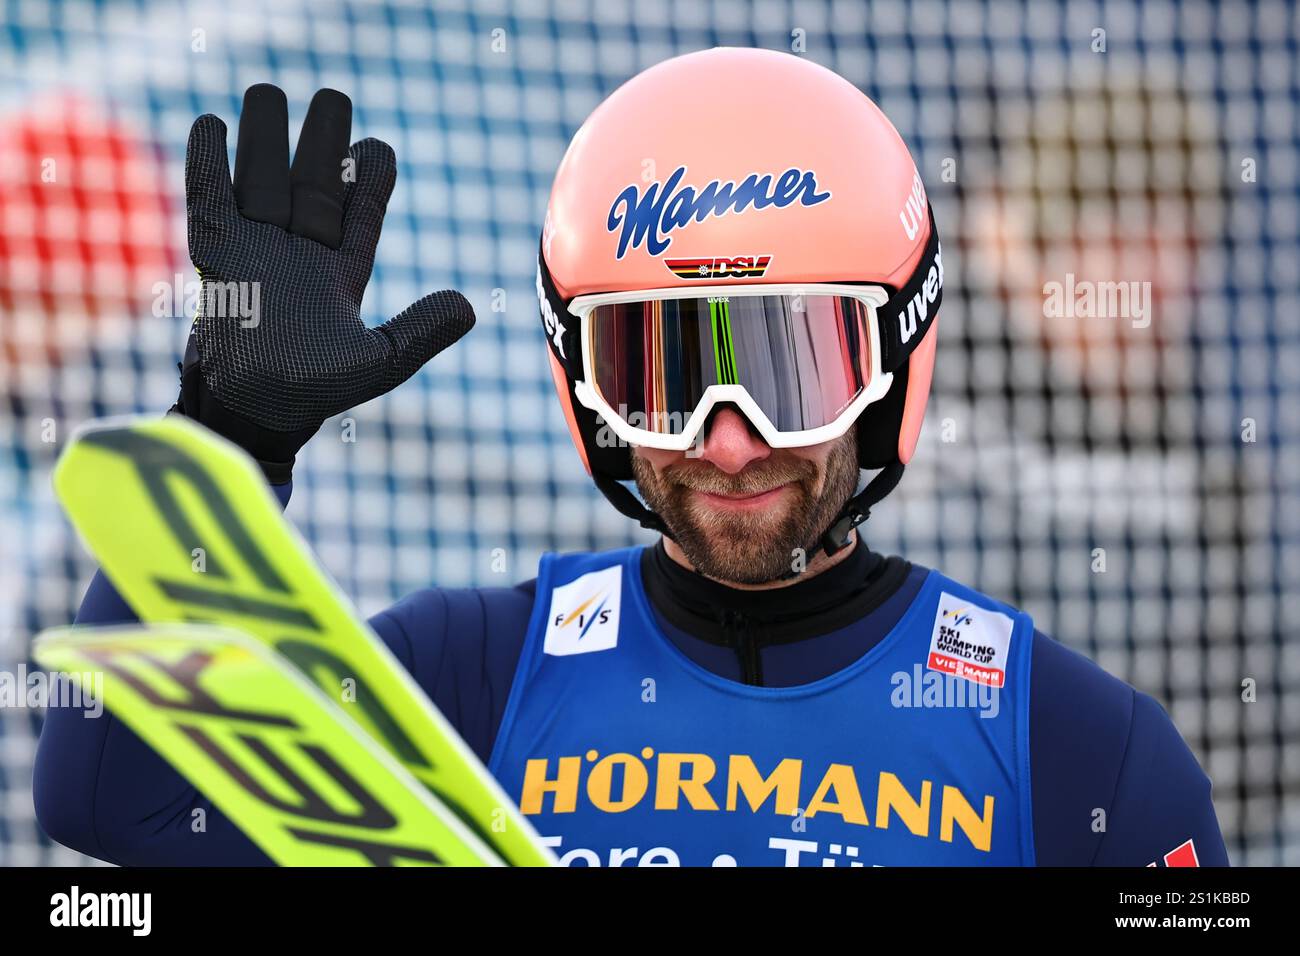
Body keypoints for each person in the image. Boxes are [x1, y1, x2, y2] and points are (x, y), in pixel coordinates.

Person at [34, 49, 1227, 867]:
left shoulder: (1083, 749)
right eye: (661, 371)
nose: (727, 434)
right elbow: (115, 800)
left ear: (893, 356)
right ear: (585, 383)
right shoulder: (469, 678)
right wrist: (227, 441)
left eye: (790, 363)